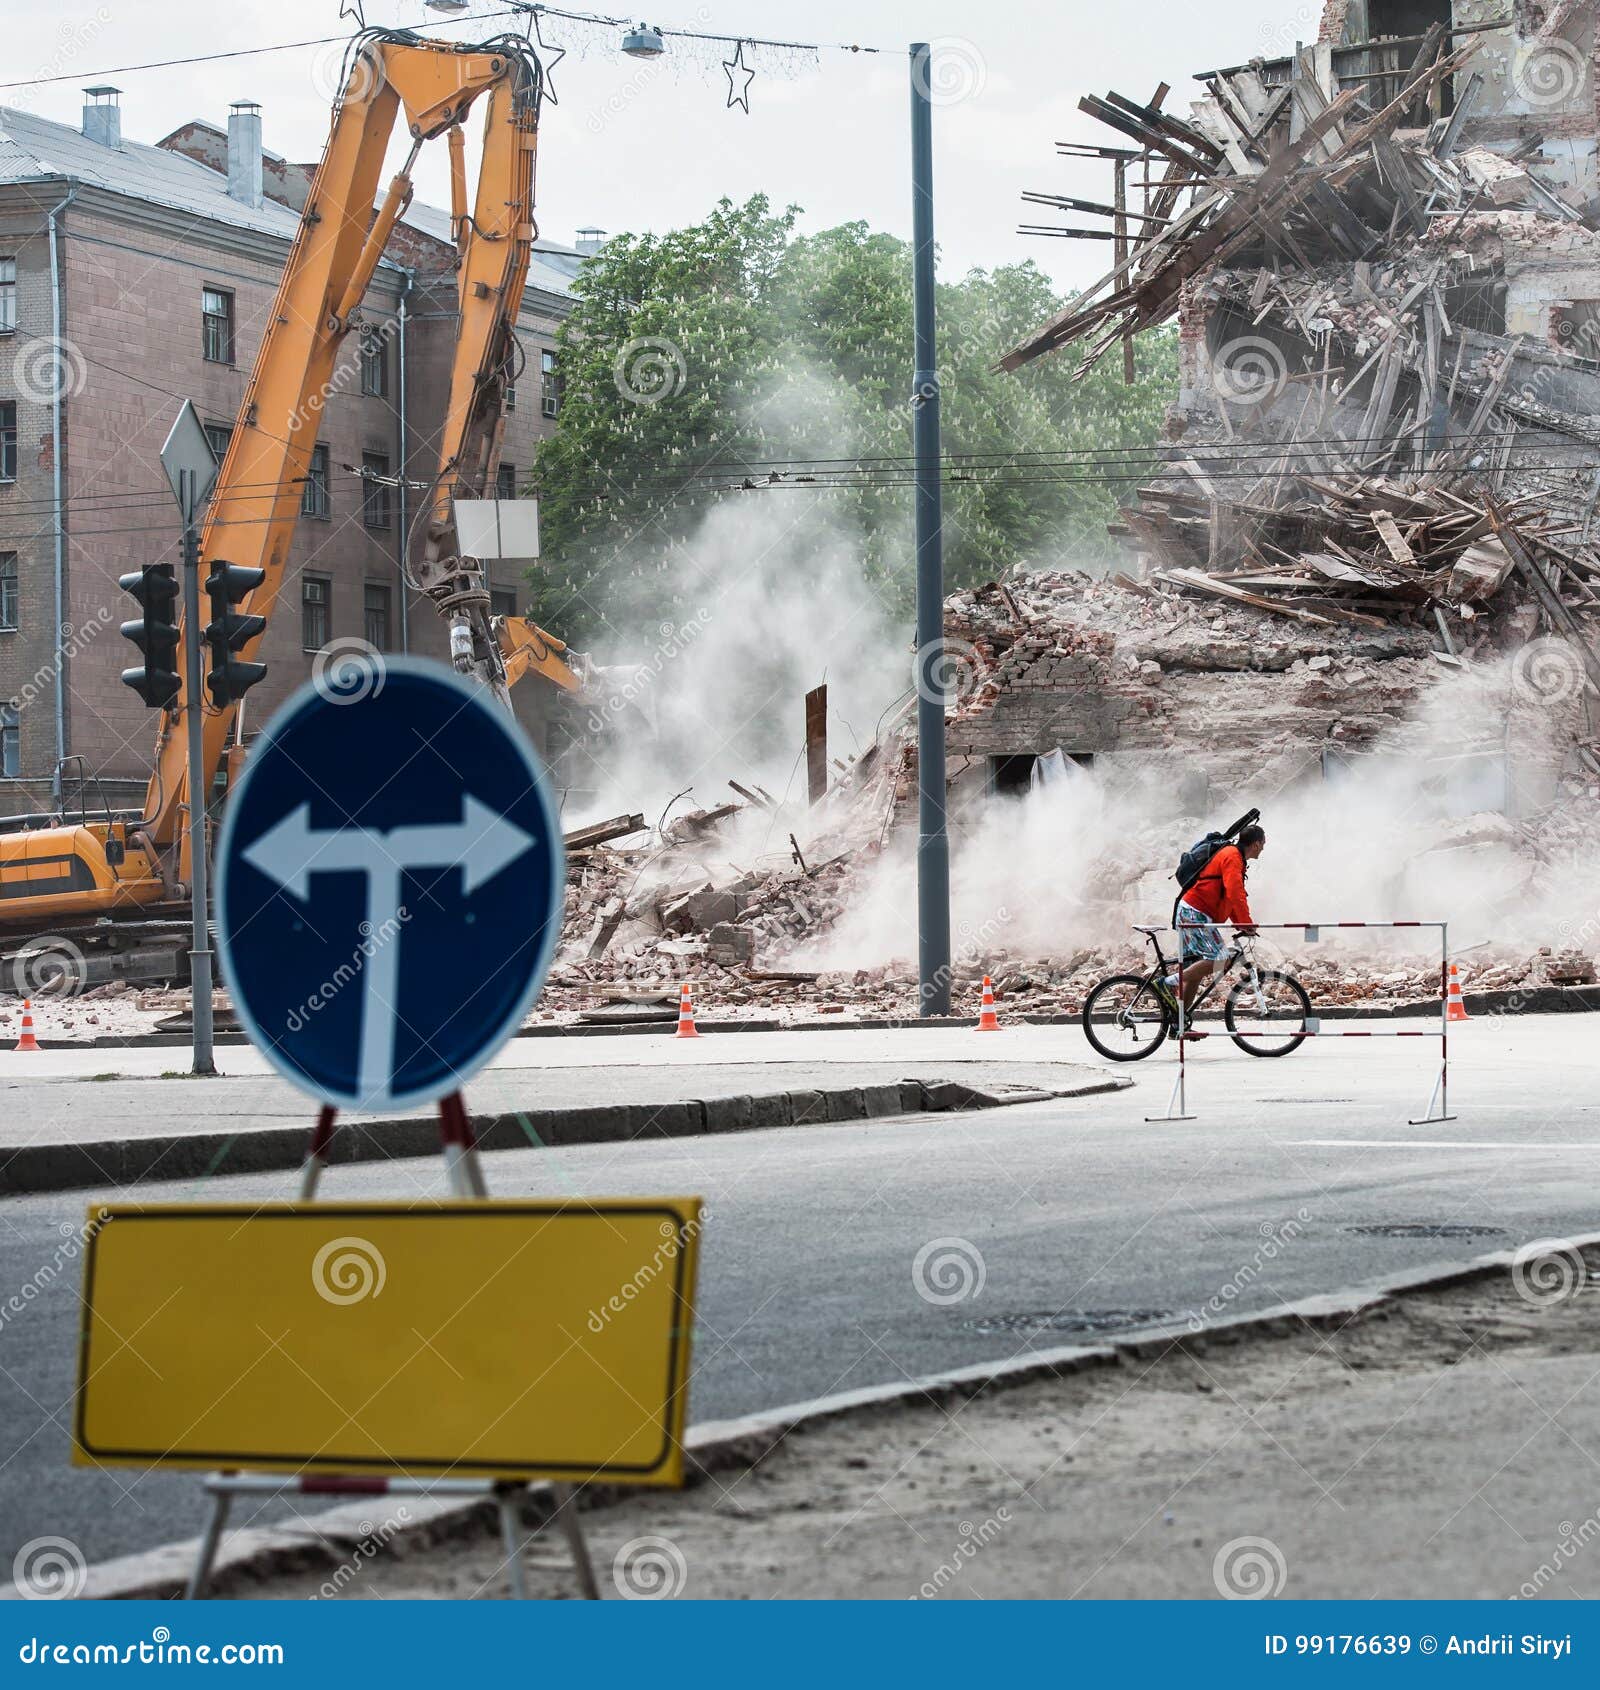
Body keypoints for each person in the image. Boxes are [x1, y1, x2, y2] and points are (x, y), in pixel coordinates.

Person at [1174, 823, 1265, 1030]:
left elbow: (1228, 898)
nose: (1263, 848)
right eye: (1263, 844)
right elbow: (1235, 893)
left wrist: (1240, 924)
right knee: (1221, 959)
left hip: (1193, 911)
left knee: (1195, 972)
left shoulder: (1235, 856)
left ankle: (1179, 1024)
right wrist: (1246, 923)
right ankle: (1168, 982)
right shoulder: (1232, 856)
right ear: (1257, 843)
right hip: (1195, 913)